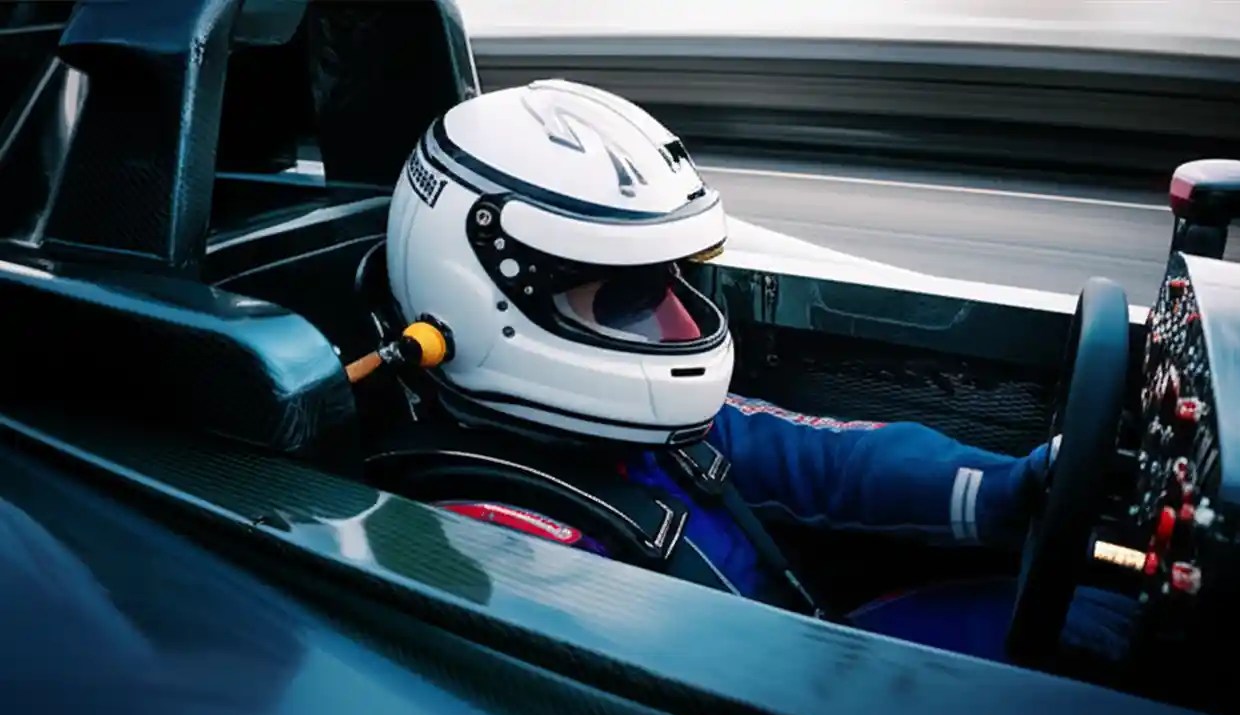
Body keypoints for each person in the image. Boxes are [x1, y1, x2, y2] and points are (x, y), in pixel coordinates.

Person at [374, 78, 1134, 663]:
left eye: (673, 280)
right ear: (485, 307)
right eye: (631, 297)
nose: (677, 323)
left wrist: (1009, 488)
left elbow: (826, 463)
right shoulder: (492, 546)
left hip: (803, 644)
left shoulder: (642, 425)